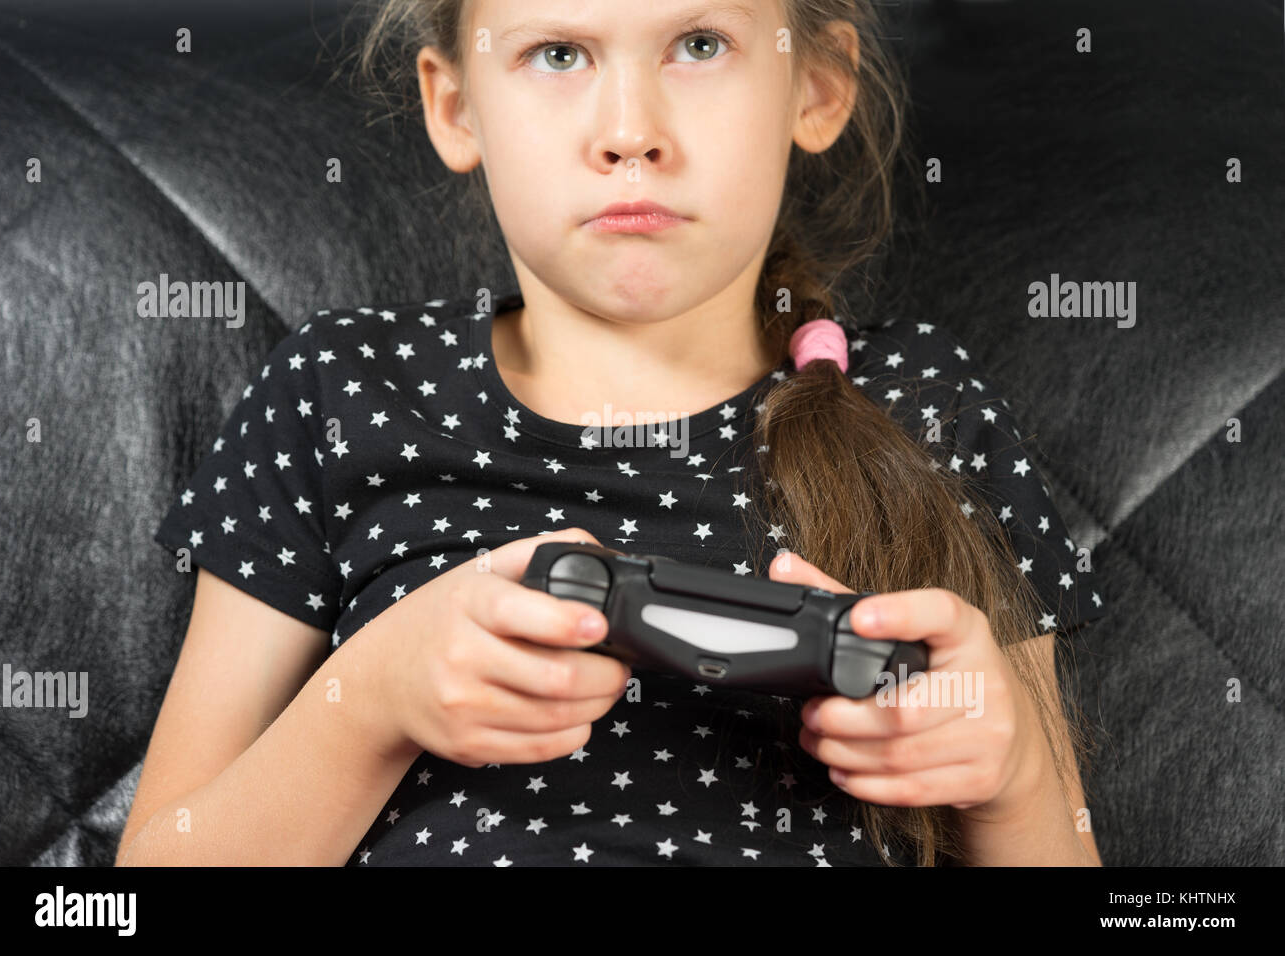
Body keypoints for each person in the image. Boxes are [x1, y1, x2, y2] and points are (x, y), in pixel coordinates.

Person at [118, 0, 1107, 867]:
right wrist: (373, 698)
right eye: (557, 54)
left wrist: (1013, 775)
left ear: (816, 86)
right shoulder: (338, 390)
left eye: (701, 43)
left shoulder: (922, 400)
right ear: (455, 105)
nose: (630, 131)